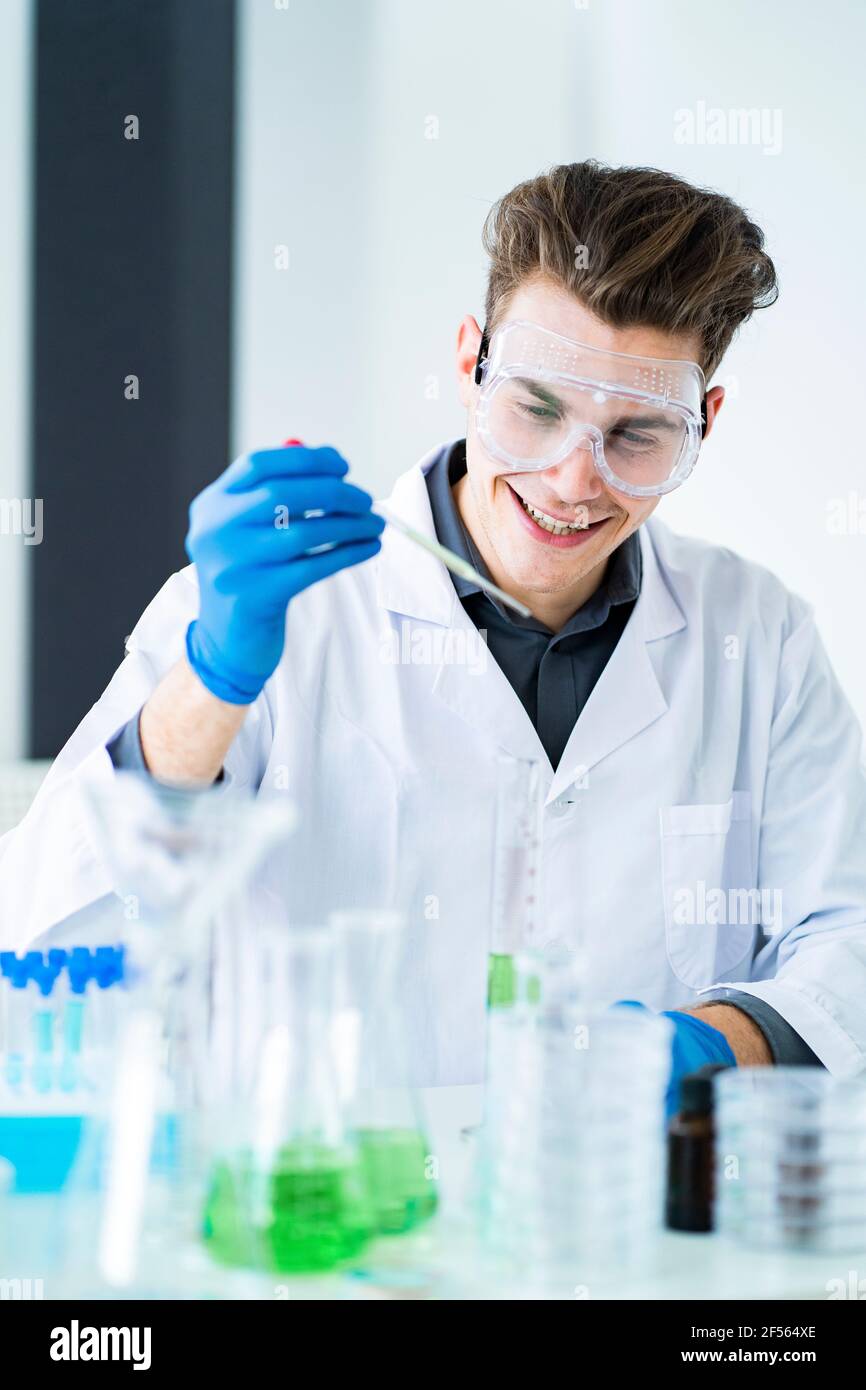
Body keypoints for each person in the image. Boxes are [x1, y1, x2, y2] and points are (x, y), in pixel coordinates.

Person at [3, 161, 865, 1104]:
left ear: (706, 422)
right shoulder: (283, 608)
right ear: (470, 362)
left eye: (638, 435)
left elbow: (848, 939)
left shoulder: (759, 637)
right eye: (537, 407)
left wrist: (711, 1048)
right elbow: (52, 941)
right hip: (326, 1216)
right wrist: (213, 677)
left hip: (627, 1210)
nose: (576, 482)